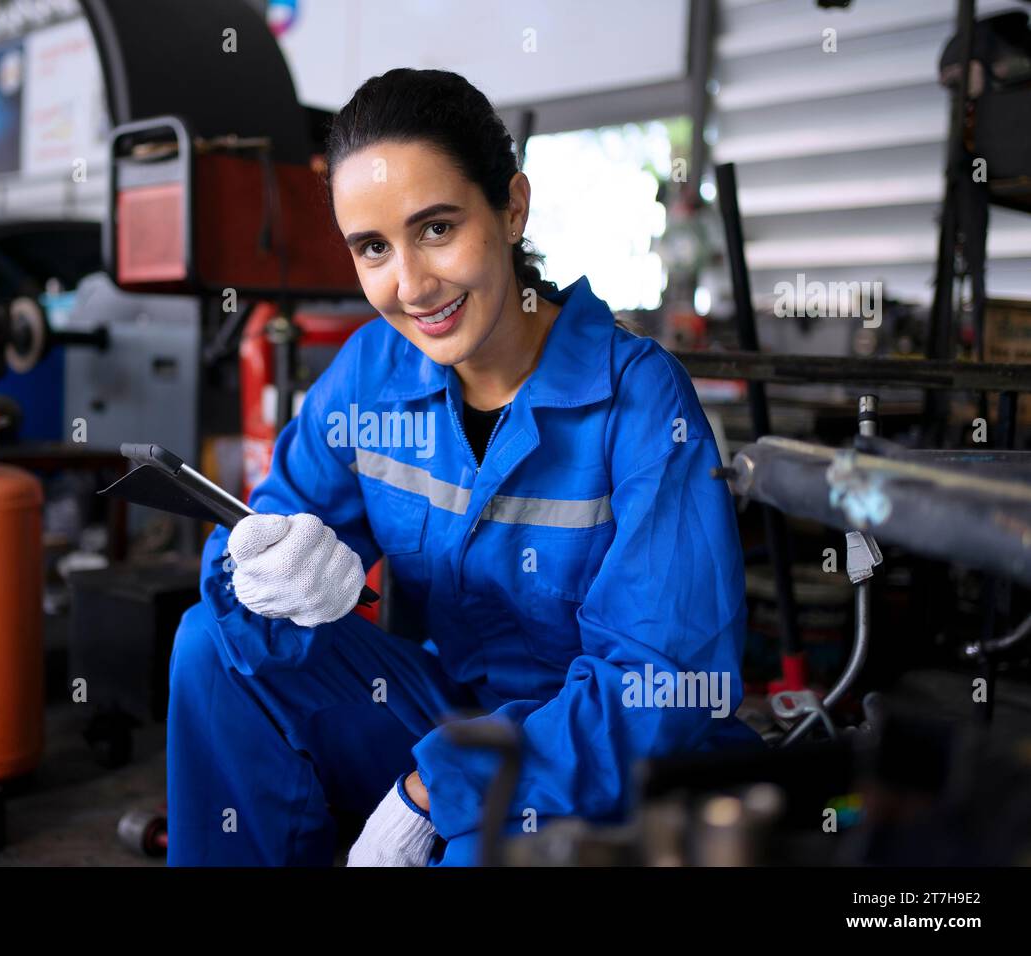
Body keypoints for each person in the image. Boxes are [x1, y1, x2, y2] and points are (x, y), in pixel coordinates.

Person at [165, 67, 759, 867]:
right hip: (449, 712)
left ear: (512, 207)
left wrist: (432, 790)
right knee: (217, 645)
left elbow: (658, 691)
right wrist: (272, 568)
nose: (410, 285)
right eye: (373, 247)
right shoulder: (372, 372)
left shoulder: (641, 404)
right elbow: (242, 553)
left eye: (437, 228)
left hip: (616, 759)